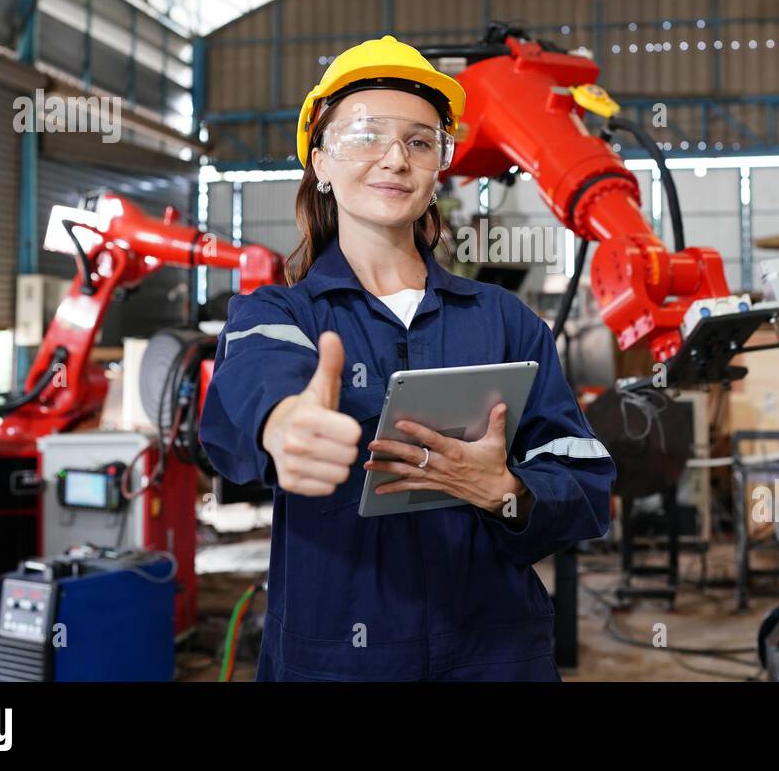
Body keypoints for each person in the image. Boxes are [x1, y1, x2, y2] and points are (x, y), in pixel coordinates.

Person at [199, 34, 616, 681]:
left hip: (495, 658)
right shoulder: (280, 315)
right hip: (335, 661)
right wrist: (282, 426)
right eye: (366, 135)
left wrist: (508, 492)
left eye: (421, 142)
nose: (396, 158)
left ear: (439, 167)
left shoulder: (506, 321)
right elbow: (248, 392)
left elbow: (585, 486)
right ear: (321, 164)